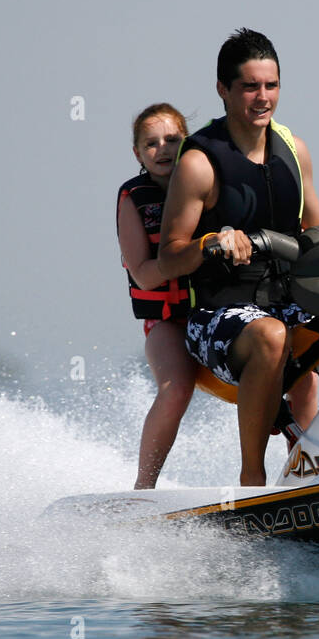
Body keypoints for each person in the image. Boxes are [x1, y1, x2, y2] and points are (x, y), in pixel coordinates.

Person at [157, 28, 319, 486]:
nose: (263, 98)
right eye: (250, 87)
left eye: (271, 85)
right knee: (271, 335)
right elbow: (169, 258)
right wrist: (211, 242)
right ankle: (253, 481)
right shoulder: (199, 163)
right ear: (223, 89)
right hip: (219, 318)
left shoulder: (294, 150)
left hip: (292, 303)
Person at [117, 103, 198, 489]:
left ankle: (305, 473)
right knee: (176, 387)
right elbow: (144, 275)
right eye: (151, 143)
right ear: (137, 154)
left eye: (172, 140)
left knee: (294, 374)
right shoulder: (132, 197)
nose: (162, 149)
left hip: (214, 311)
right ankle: (144, 488)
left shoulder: (208, 183)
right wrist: (191, 255)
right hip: (167, 318)